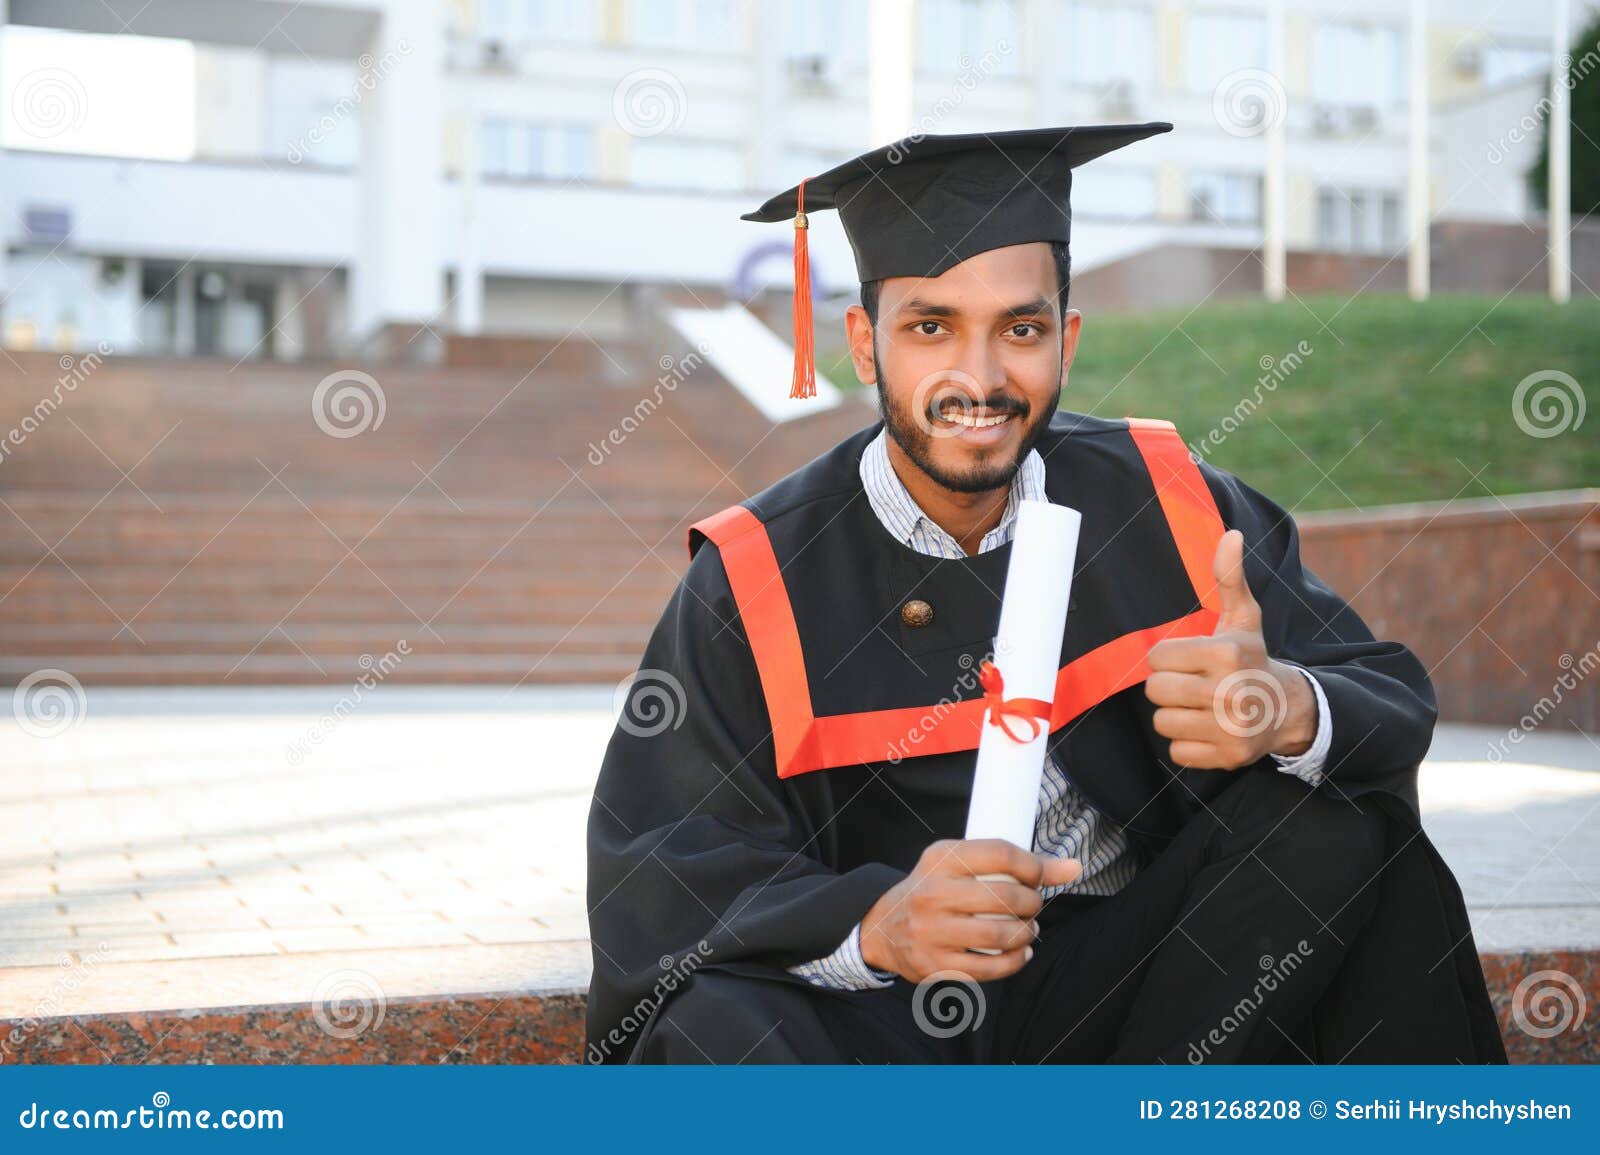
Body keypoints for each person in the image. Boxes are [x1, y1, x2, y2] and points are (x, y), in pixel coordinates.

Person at [584, 124, 1506, 1064]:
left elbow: (1383, 690)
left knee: (1341, 826)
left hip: (1142, 998)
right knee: (714, 1029)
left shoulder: (1165, 498)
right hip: (891, 1019)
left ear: (1064, 338)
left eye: (1019, 329)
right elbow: (662, 867)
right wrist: (879, 920)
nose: (978, 379)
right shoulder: (755, 576)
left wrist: (1281, 708)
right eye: (931, 325)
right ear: (864, 343)